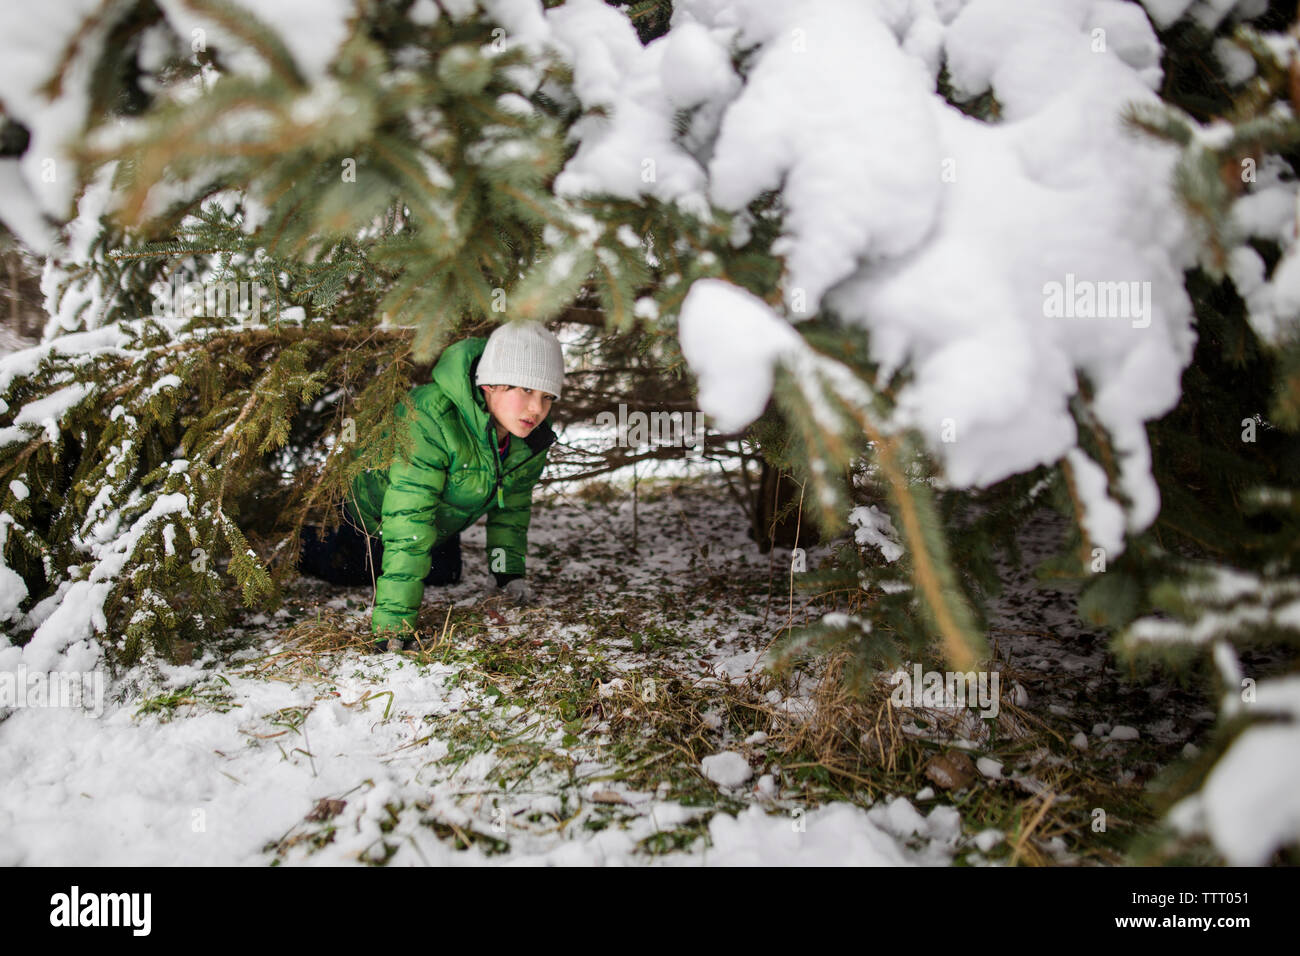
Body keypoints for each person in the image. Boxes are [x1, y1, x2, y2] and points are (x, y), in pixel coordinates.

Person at [299, 321, 564, 650]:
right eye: (525, 390)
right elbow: (409, 514)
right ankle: (303, 542)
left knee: (444, 573)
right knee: (345, 568)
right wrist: (395, 625)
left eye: (547, 396)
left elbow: (512, 505)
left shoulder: (530, 438)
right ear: (491, 385)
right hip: (370, 515)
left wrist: (507, 573)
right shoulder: (432, 419)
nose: (537, 408)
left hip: (434, 525)